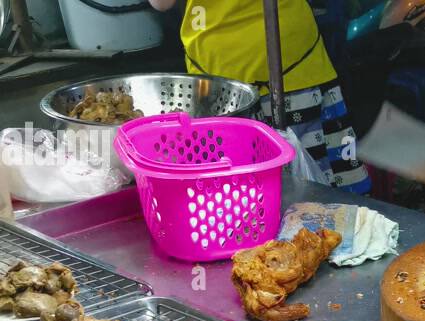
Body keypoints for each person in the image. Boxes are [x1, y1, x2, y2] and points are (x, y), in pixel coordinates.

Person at [149, 0, 371, 194]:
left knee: (237, 197)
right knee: (323, 195)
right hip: (291, 64)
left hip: (222, 74)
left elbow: (161, 3)